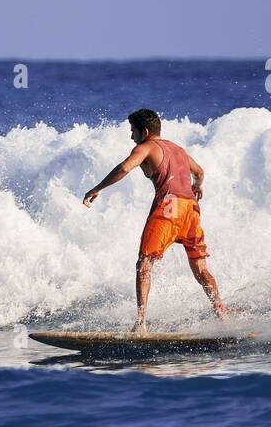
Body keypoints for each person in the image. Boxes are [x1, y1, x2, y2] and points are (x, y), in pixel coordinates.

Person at [82, 108, 228, 335]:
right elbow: (199, 172)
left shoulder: (146, 147)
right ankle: (221, 310)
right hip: (191, 209)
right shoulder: (178, 150)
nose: (131, 137)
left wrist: (97, 188)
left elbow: (124, 168)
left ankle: (141, 323)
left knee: (145, 264)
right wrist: (198, 186)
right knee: (200, 269)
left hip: (169, 207)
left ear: (145, 131)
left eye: (133, 132)